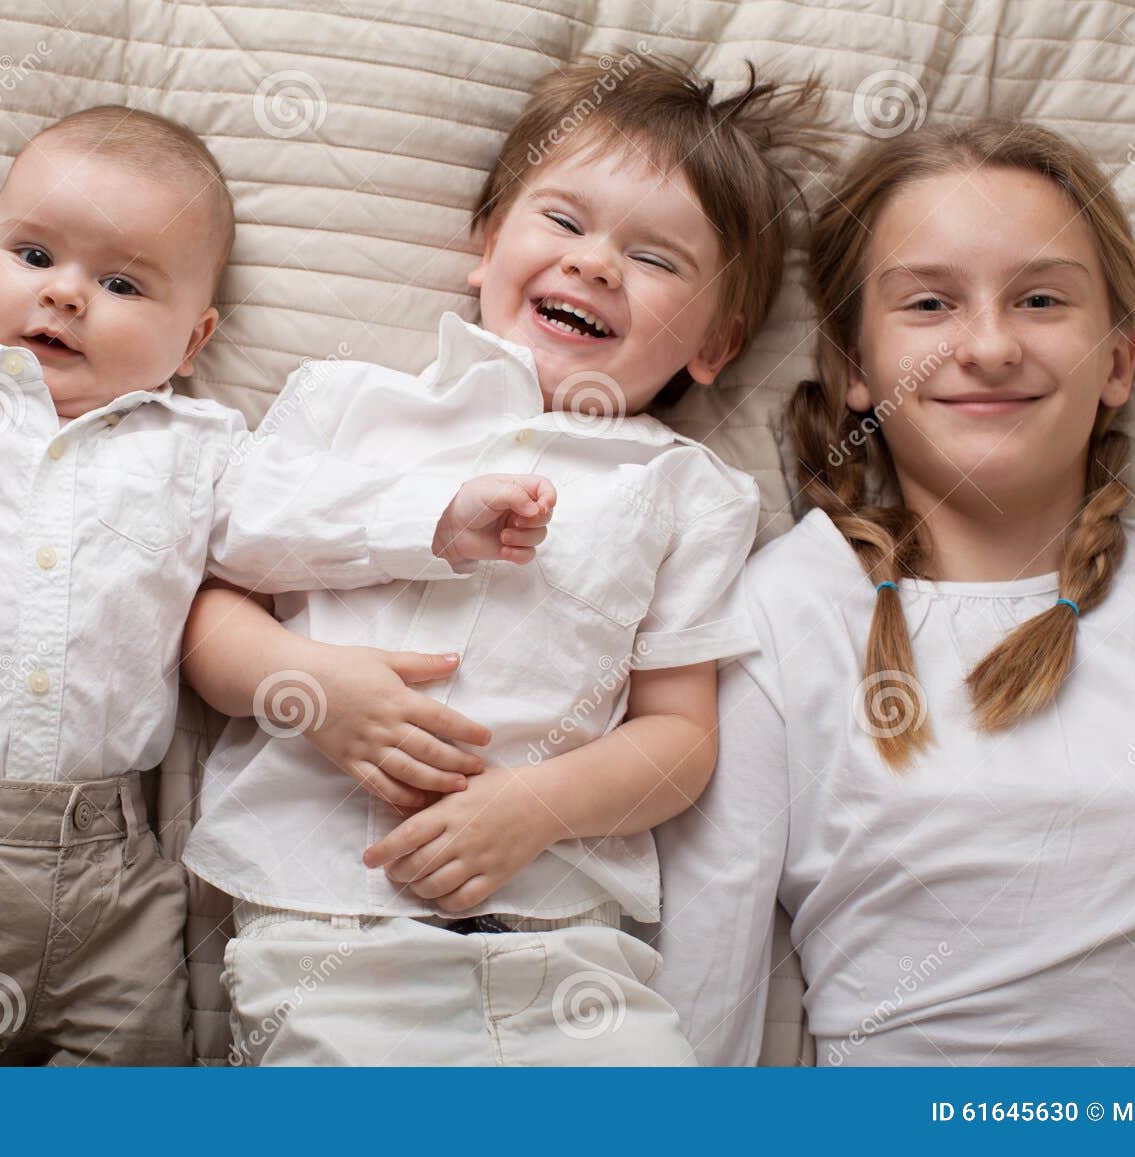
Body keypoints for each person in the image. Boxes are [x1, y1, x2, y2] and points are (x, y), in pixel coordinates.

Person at [0, 105, 551, 1064]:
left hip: (116, 870)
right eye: (33, 256)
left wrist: (442, 516)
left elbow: (305, 509)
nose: (67, 294)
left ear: (192, 342)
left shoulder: (197, 450)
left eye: (121, 283)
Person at [179, 55, 819, 1065]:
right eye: (564, 223)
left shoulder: (686, 489)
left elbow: (678, 739)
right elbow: (211, 605)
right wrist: (307, 686)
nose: (598, 264)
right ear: (484, 247)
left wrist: (534, 805)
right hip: (331, 925)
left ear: (716, 343)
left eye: (655, 259)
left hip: (568, 946)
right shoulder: (350, 406)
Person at [657, 118, 1135, 1066]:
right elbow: (702, 993)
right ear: (857, 369)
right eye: (930, 304)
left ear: (1119, 363)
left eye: (1041, 299)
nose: (991, 345)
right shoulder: (777, 614)